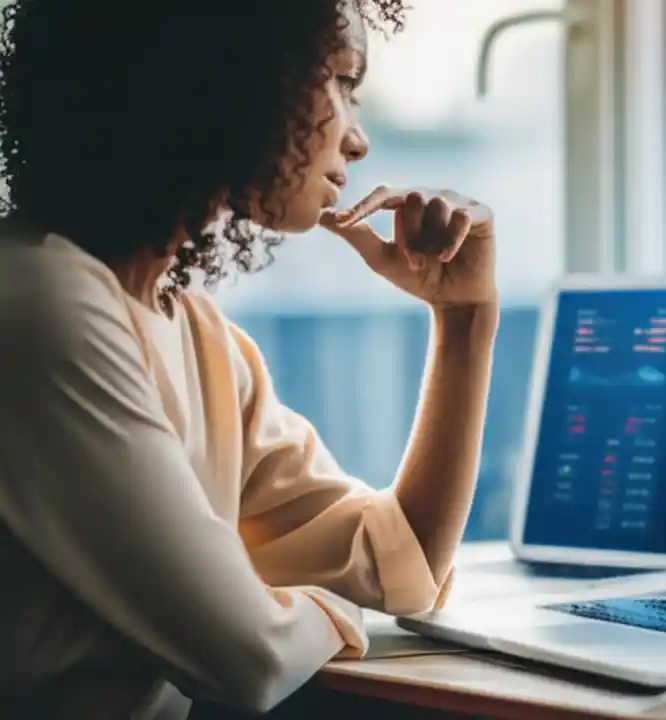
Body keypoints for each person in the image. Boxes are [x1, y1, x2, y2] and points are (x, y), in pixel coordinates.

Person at [0, 1, 497, 717]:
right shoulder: (41, 305)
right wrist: (340, 613)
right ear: (230, 75)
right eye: (339, 80)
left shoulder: (196, 331)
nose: (357, 141)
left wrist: (464, 317)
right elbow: (247, 656)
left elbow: (402, 561)